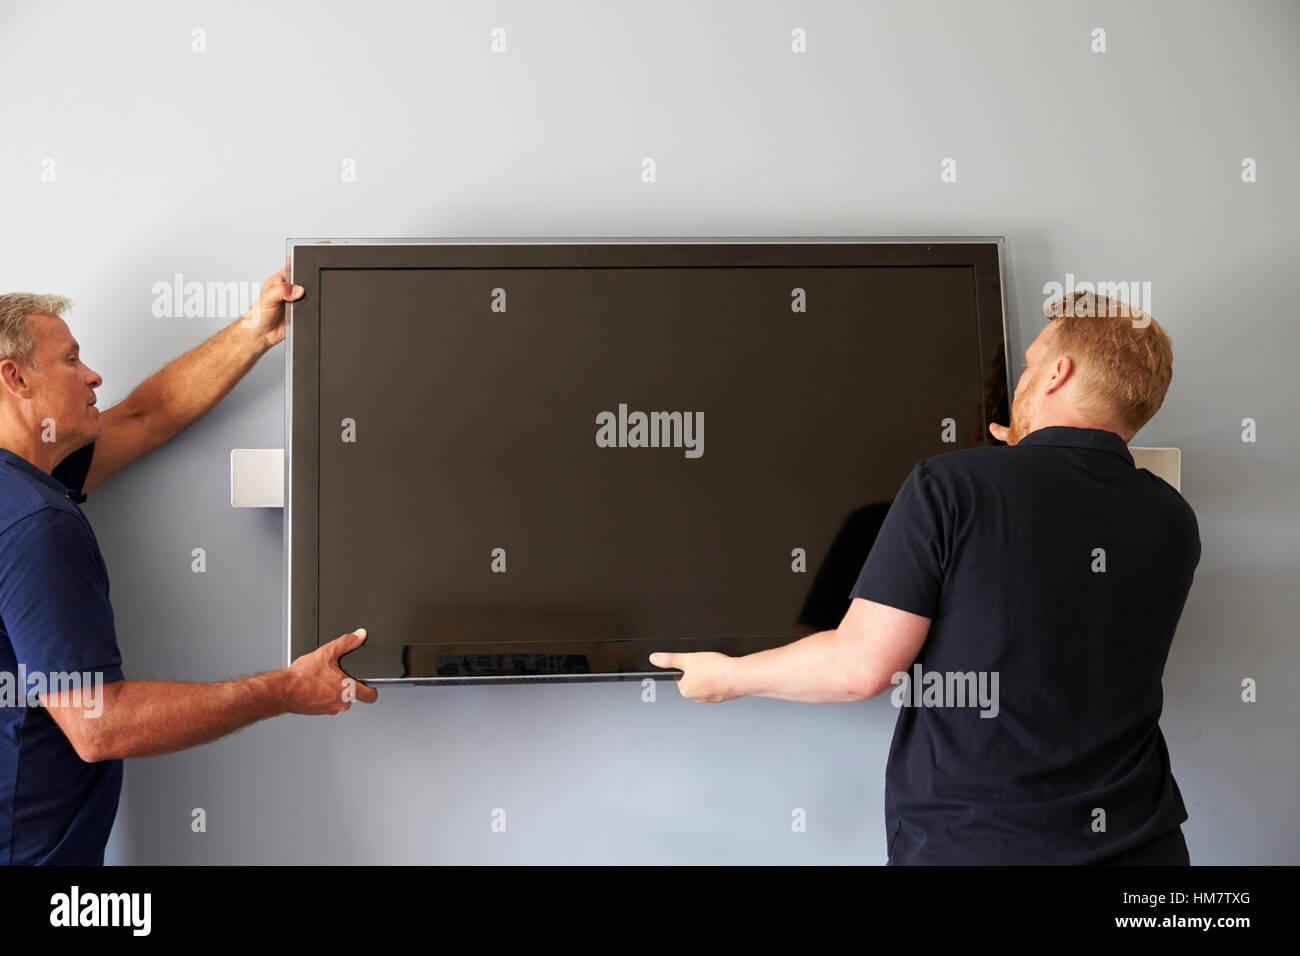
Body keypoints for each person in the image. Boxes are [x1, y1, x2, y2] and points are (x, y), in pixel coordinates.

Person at [652, 290, 1197, 865]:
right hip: (1145, 848)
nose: (1024, 378)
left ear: (1058, 373)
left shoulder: (952, 484)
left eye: (1032, 363)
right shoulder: (1173, 516)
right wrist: (1021, 462)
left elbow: (859, 669)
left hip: (978, 846)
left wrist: (728, 676)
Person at [0, 269, 376, 866]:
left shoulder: (21, 489)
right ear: (15, 377)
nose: (94, 374)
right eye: (71, 360)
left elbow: (146, 416)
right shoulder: (34, 520)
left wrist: (256, 330)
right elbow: (99, 726)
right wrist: (285, 689)